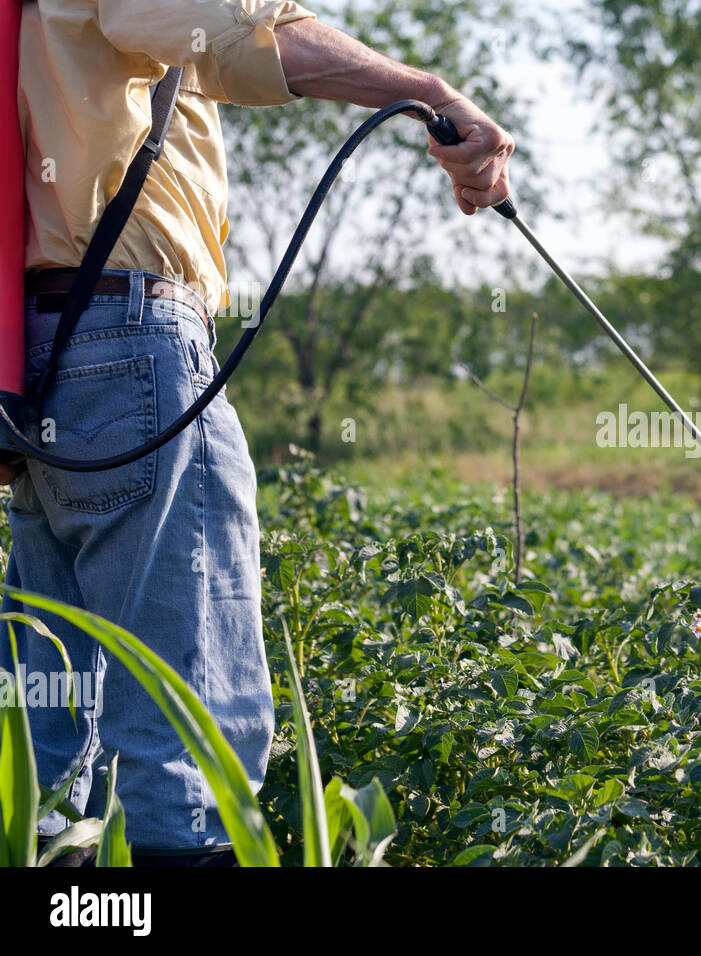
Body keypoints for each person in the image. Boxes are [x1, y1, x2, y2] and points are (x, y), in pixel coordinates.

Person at [0, 0, 513, 865]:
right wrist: (428, 92)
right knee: (181, 733)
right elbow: (241, 36)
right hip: (126, 339)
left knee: (55, 752)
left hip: (34, 357)